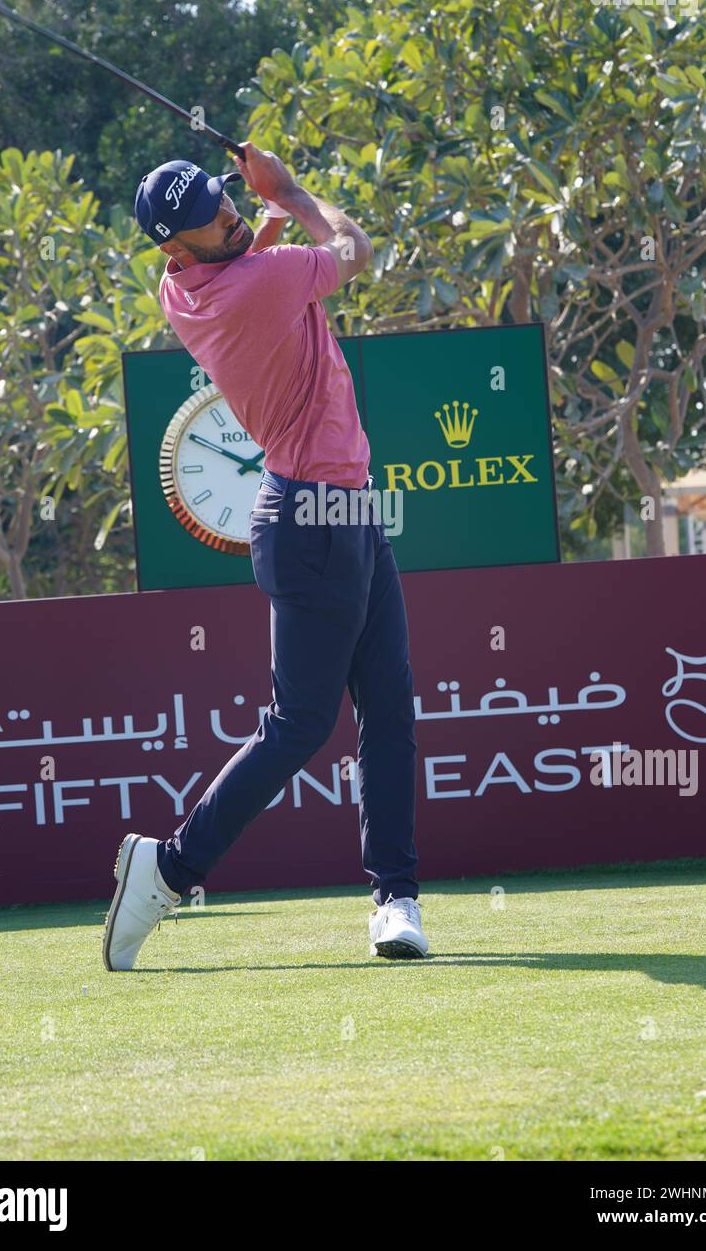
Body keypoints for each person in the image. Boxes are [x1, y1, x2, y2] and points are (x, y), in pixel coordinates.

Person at [102, 143, 427, 970]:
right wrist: (288, 190)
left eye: (227, 196)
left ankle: (396, 901)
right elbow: (354, 250)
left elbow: (247, 251)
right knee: (301, 725)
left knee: (388, 709)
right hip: (312, 513)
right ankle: (169, 868)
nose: (232, 211)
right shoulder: (263, 280)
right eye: (216, 213)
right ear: (179, 246)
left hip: (339, 509)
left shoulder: (183, 286)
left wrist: (258, 211)